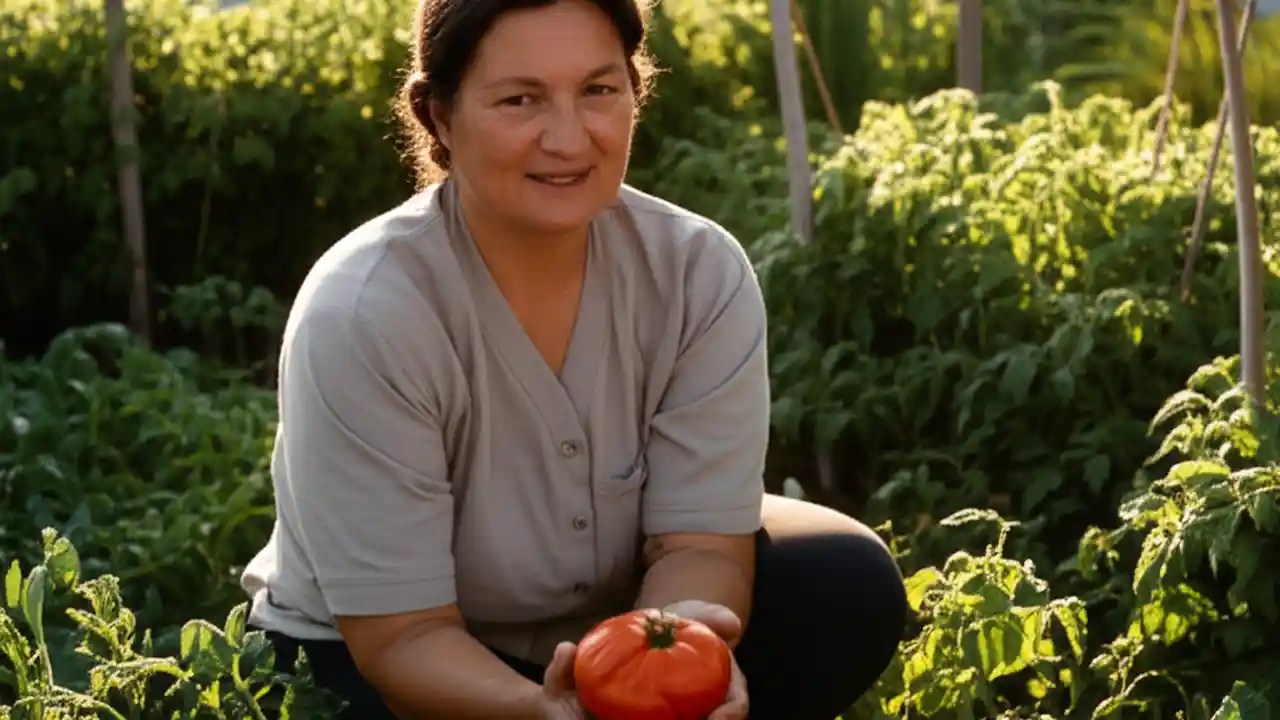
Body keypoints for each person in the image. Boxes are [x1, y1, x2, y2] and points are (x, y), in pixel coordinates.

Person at [239, 0, 907, 717]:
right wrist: (543, 709)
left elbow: (700, 545)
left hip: (606, 623)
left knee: (843, 580)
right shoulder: (367, 311)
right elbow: (403, 636)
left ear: (635, 90)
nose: (568, 139)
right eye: (520, 99)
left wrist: (678, 656)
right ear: (438, 115)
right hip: (378, 658)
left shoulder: (695, 273)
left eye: (598, 91)